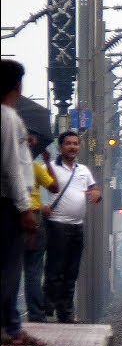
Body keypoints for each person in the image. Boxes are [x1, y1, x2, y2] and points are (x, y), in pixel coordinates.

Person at [1, 60, 43, 346]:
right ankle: (11, 329)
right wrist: (24, 207)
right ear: (17, 85)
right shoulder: (8, 117)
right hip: (7, 205)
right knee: (9, 268)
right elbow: (11, 168)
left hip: (6, 202)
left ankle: (10, 325)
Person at [43, 130, 102, 324]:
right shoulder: (50, 167)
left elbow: (94, 190)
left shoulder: (83, 170)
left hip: (77, 226)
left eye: (76, 143)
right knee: (55, 269)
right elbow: (37, 186)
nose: (72, 147)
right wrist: (41, 206)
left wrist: (97, 195)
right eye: (68, 143)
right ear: (60, 147)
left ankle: (66, 313)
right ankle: (48, 308)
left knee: (71, 271)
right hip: (57, 224)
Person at [23, 132, 59, 322]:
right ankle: (36, 315)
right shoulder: (34, 168)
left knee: (9, 269)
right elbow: (54, 187)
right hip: (33, 219)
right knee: (33, 270)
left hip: (10, 218)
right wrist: (49, 162)